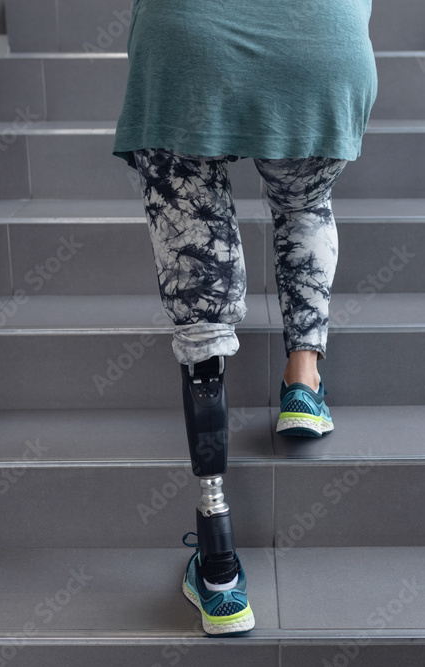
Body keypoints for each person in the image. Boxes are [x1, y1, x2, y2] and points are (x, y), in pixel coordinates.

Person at [112, 0, 377, 637]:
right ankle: (303, 384)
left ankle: (221, 569)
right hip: (321, 45)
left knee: (197, 270)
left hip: (187, 47)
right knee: (305, 203)